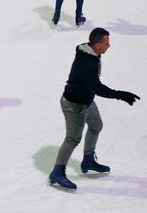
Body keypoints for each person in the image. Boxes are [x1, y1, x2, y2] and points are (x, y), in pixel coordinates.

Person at [48, 28, 140, 192]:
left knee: (96, 125)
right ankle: (57, 172)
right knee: (72, 139)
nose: (109, 46)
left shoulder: (91, 54)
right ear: (97, 45)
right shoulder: (87, 63)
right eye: (106, 43)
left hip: (87, 101)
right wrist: (120, 95)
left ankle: (88, 160)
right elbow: (97, 88)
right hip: (74, 104)